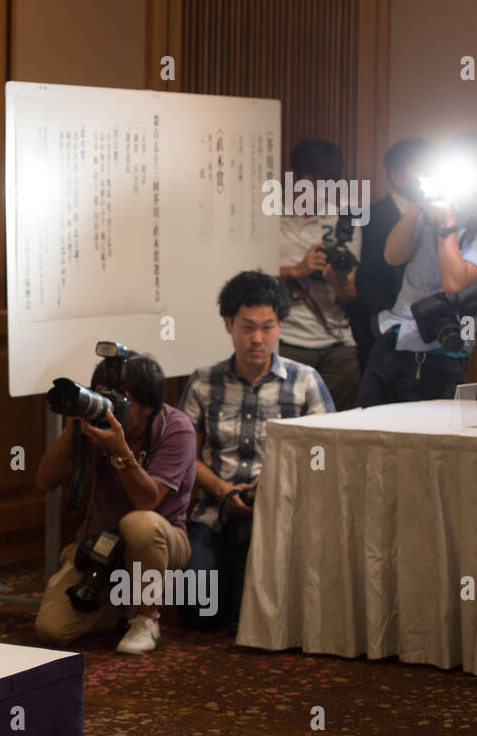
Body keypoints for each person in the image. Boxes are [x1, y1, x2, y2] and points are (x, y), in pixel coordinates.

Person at [179, 271, 334, 629]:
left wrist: (273, 484)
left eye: (268, 326)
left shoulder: (305, 381)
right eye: (247, 327)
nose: (257, 339)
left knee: (259, 613)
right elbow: (185, 456)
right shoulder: (204, 381)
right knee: (196, 611)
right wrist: (223, 490)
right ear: (228, 324)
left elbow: (325, 455)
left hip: (281, 516)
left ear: (281, 325)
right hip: (214, 514)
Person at [34, 352, 196, 654]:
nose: (107, 407)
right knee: (52, 630)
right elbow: (44, 482)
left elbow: (148, 500)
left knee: (139, 524)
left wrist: (121, 452)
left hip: (163, 542)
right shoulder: (92, 428)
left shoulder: (176, 427)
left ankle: (147, 617)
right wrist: (72, 432)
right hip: (101, 546)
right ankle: (121, 604)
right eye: (101, 397)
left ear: (148, 407)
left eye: (119, 400)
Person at [357, 133, 477, 406]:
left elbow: (454, 282)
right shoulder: (432, 205)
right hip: (393, 338)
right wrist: (418, 203)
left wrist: (447, 223)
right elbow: (393, 255)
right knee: (366, 437)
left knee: (420, 444)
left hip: (442, 351)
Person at [276, 139, 362, 410]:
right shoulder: (271, 218)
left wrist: (339, 282)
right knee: (288, 428)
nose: (321, 193)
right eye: (314, 184)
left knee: (341, 430)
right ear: (296, 179)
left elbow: (350, 294)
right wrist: (296, 271)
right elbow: (246, 278)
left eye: (329, 185)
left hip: (338, 342)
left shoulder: (345, 219)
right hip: (288, 340)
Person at [350, 138, 434, 373]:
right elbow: (365, 280)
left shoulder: (443, 217)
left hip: (433, 333)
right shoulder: (368, 217)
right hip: (382, 334)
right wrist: (390, 327)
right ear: (398, 176)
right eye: (424, 170)